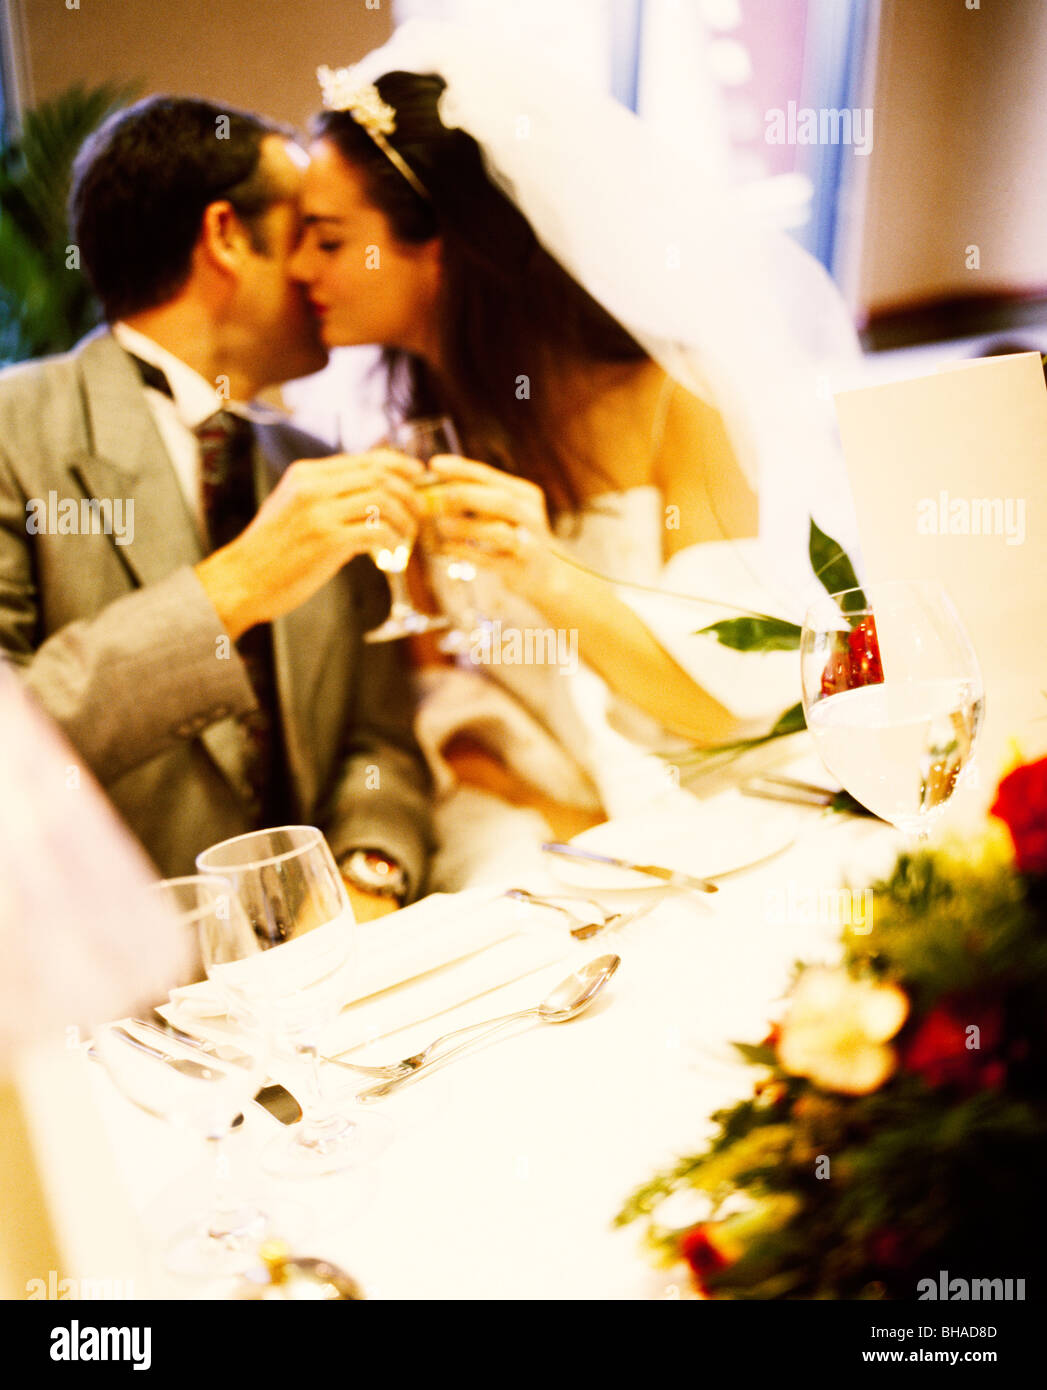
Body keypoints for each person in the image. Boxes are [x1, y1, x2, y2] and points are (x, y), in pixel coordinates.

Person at [288, 22, 862, 882]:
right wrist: (565, 819)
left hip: (713, 799)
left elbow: (724, 702)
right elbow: (439, 705)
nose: (301, 267)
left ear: (437, 243)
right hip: (524, 825)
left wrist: (546, 573)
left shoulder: (674, 402)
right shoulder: (396, 455)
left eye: (330, 239)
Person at [0, 95, 434, 917]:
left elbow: (379, 742)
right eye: (307, 232)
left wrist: (368, 875)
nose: (320, 269)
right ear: (226, 236)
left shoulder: (312, 465)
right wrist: (233, 589)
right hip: (104, 998)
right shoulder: (12, 432)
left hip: (338, 974)